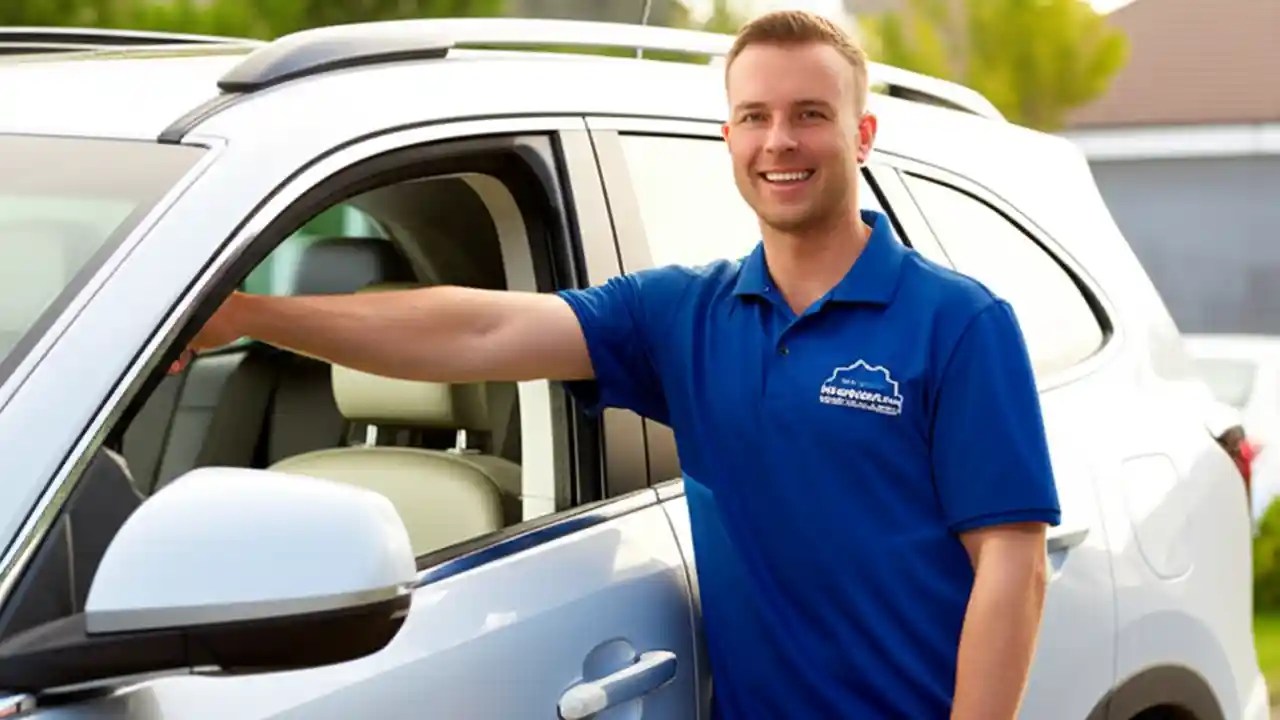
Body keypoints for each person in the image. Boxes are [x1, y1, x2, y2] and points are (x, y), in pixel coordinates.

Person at [180, 10, 1060, 719]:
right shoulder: (684, 312)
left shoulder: (958, 322)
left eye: (810, 115)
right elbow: (479, 332)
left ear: (861, 133)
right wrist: (249, 315)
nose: (779, 141)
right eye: (755, 116)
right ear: (729, 136)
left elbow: (1012, 570)